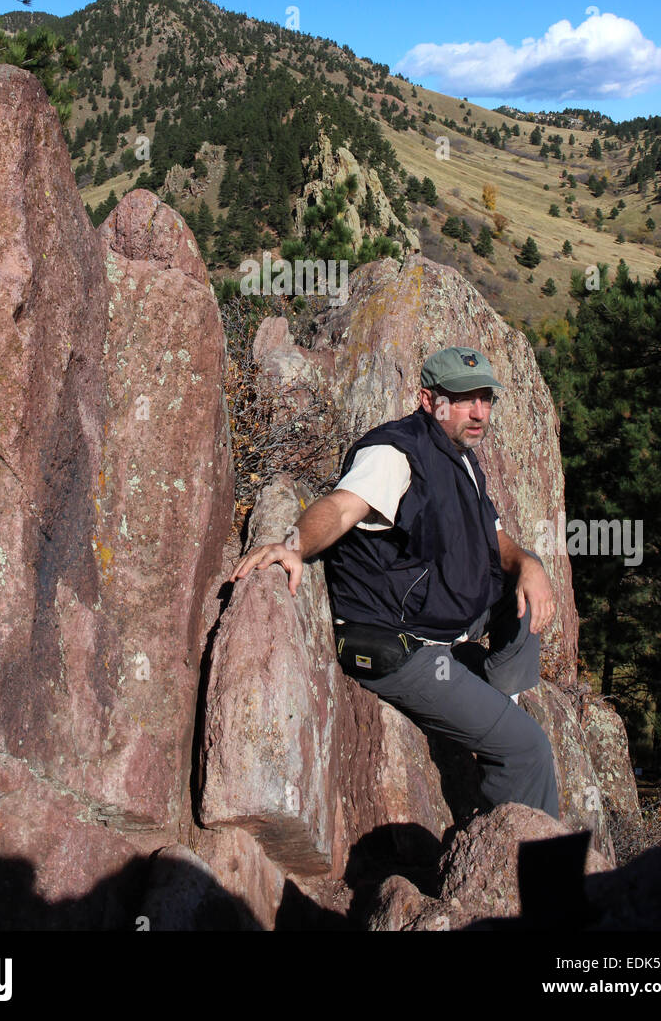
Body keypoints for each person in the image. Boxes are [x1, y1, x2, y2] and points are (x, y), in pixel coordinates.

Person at [232, 345, 560, 819]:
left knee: (525, 598)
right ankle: (523, 872)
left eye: (486, 399)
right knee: (528, 749)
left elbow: (493, 535)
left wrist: (530, 564)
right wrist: (293, 544)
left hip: (442, 619)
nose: (478, 412)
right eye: (464, 399)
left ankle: (496, 704)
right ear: (428, 401)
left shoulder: (461, 455)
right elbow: (343, 505)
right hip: (398, 645)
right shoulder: (394, 453)